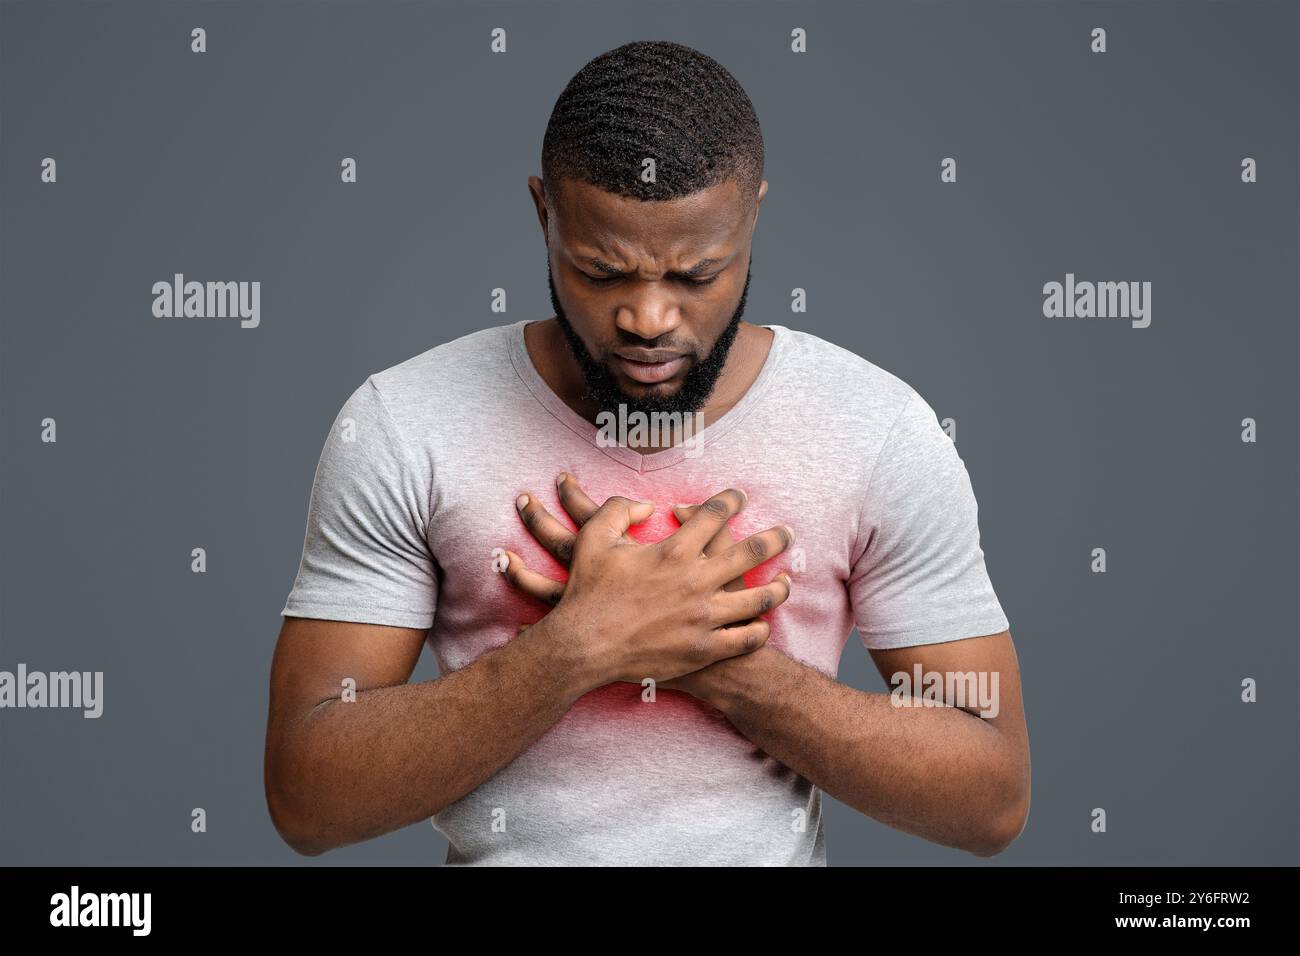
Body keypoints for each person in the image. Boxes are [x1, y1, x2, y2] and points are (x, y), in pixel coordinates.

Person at [265, 39, 1029, 865]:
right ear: (542, 214)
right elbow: (308, 799)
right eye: (601, 272)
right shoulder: (402, 423)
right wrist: (576, 648)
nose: (648, 320)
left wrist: (718, 656)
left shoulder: (877, 430)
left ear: (753, 215)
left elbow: (991, 799)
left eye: (697, 275)